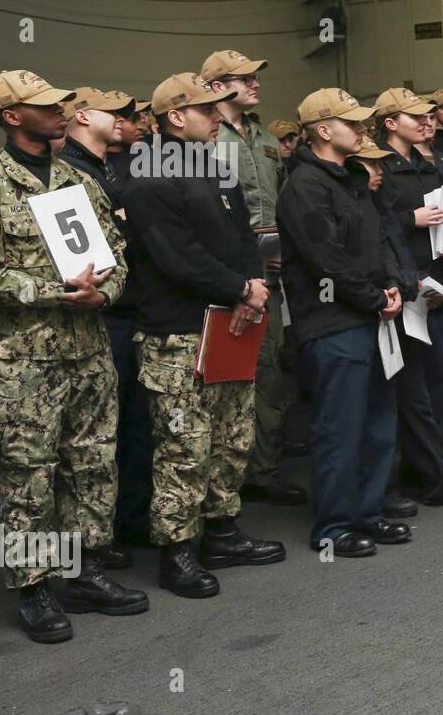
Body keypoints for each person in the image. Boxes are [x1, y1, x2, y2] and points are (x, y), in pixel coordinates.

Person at [0, 70, 147, 642]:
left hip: (88, 351)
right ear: (11, 117)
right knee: (28, 473)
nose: (60, 111)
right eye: (45, 106)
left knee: (93, 464)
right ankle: (33, 588)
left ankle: (84, 572)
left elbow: (118, 255)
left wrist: (107, 291)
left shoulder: (78, 182)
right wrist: (53, 287)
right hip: (24, 361)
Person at [126, 72, 286, 596]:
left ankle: (221, 530)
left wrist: (255, 286)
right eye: (209, 110)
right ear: (176, 116)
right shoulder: (149, 173)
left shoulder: (214, 167)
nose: (220, 117)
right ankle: (177, 551)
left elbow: (243, 236)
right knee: (184, 447)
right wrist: (240, 287)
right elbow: (175, 256)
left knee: (231, 436)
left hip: (230, 321)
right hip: (178, 333)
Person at [278, 88, 409, 555]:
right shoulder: (305, 187)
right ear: (323, 130)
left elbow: (380, 241)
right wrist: (374, 297)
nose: (362, 130)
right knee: (340, 428)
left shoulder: (353, 178)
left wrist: (393, 285)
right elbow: (326, 260)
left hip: (372, 318)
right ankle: (334, 526)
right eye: (352, 124)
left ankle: (368, 514)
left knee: (377, 424)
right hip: (333, 324)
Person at [201, 50, 303, 508]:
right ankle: (218, 485)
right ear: (219, 84)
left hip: (274, 270)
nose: (256, 84)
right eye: (246, 78)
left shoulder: (262, 135)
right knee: (226, 374)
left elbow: (279, 201)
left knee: (274, 366)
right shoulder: (202, 138)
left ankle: (262, 470)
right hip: (227, 273)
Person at [372, 88, 443, 511]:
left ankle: (427, 470)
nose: (426, 121)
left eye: (427, 115)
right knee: (403, 390)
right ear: (389, 123)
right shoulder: (378, 167)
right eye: (414, 116)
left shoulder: (429, 163)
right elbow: (376, 227)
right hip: (401, 288)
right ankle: (410, 476)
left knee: (433, 383)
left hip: (433, 286)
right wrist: (409, 219)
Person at [59, 88, 153, 558]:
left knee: (133, 424)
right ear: (81, 116)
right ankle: (96, 538)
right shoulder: (67, 174)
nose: (125, 119)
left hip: (128, 307)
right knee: (94, 435)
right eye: (114, 112)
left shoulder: (112, 167)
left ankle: (129, 520)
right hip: (99, 316)